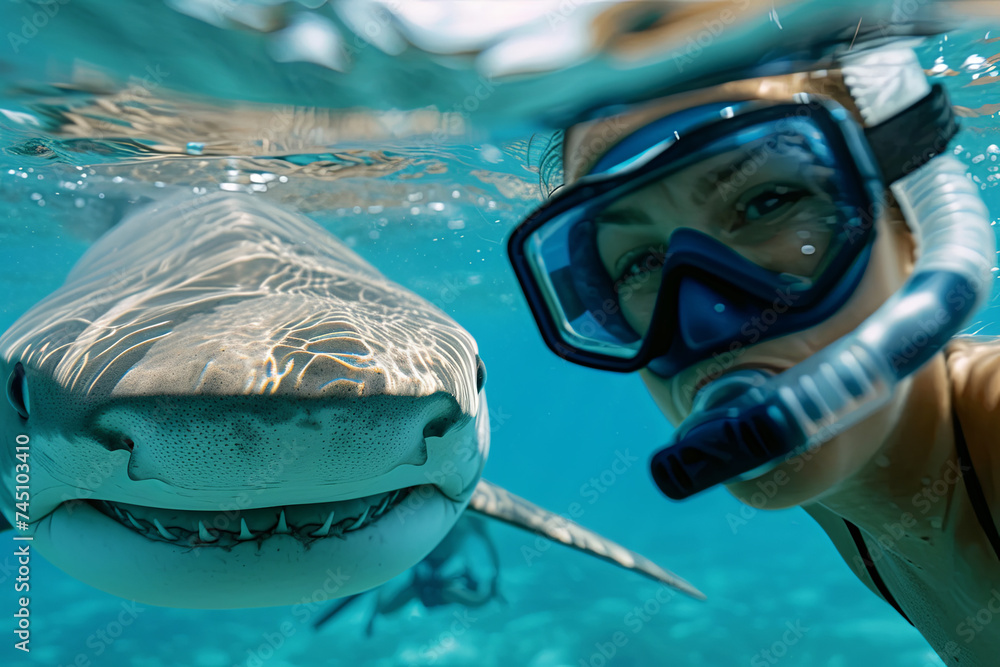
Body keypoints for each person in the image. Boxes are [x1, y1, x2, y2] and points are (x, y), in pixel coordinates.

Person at [506, 43, 999, 664]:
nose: (708, 322)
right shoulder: (849, 487)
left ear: (914, 217)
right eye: (640, 264)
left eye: (768, 202)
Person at [313, 514, 502, 636]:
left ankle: (377, 592)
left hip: (444, 577)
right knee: (478, 600)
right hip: (426, 578)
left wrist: (495, 581)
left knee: (478, 601)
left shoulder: (471, 519)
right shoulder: (426, 515)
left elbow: (489, 544)